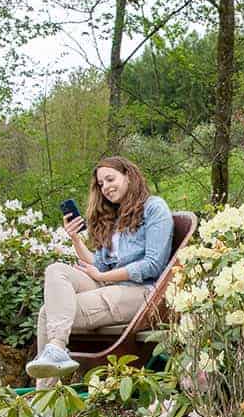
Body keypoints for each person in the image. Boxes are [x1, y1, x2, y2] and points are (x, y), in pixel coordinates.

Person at [24, 156, 174, 384]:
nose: (106, 187)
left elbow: (152, 265)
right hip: (110, 284)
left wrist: (103, 276)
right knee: (56, 270)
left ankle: (46, 392)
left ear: (129, 176)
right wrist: (75, 239)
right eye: (101, 184)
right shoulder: (114, 216)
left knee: (48, 314)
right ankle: (56, 351)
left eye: (110, 179)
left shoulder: (154, 208)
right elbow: (100, 264)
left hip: (141, 292)